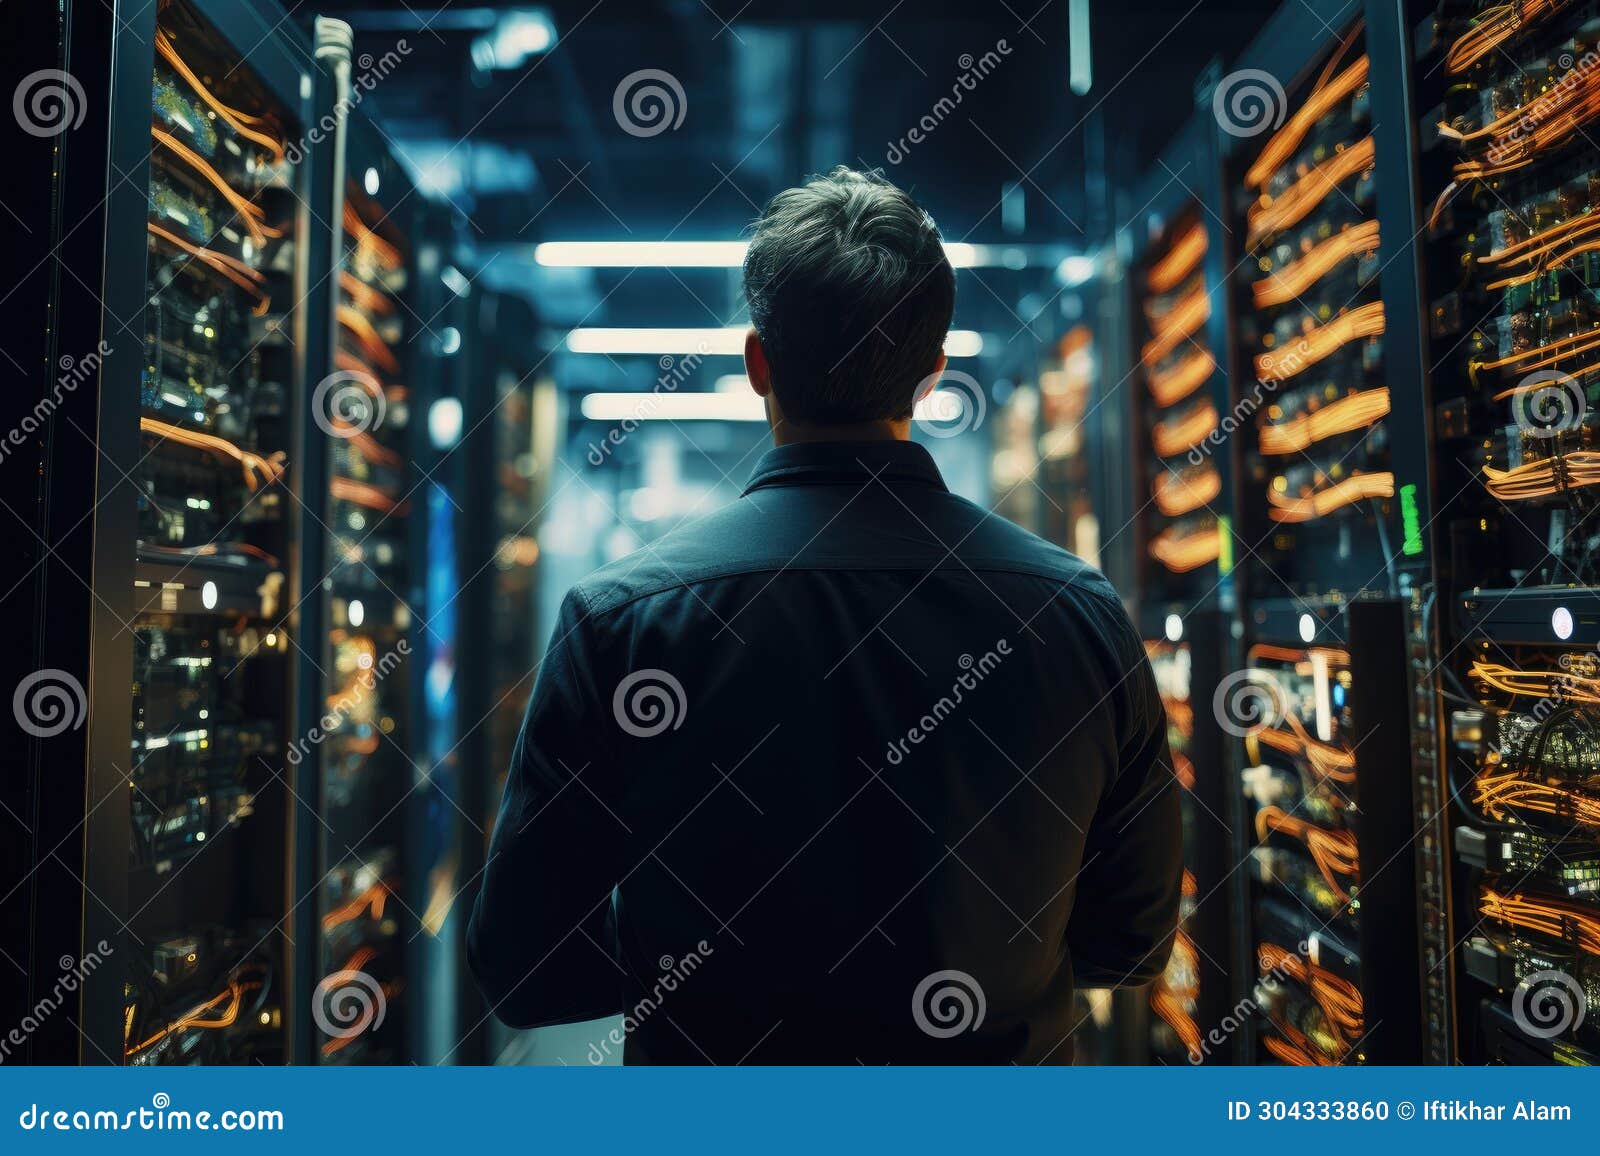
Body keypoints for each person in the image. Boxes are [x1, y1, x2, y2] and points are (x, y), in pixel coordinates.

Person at [467, 166, 1180, 1064]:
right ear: (932, 373)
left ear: (757, 361)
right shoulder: (1075, 613)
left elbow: (524, 964)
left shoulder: (622, 620)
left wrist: (700, 961)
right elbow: (1135, 941)